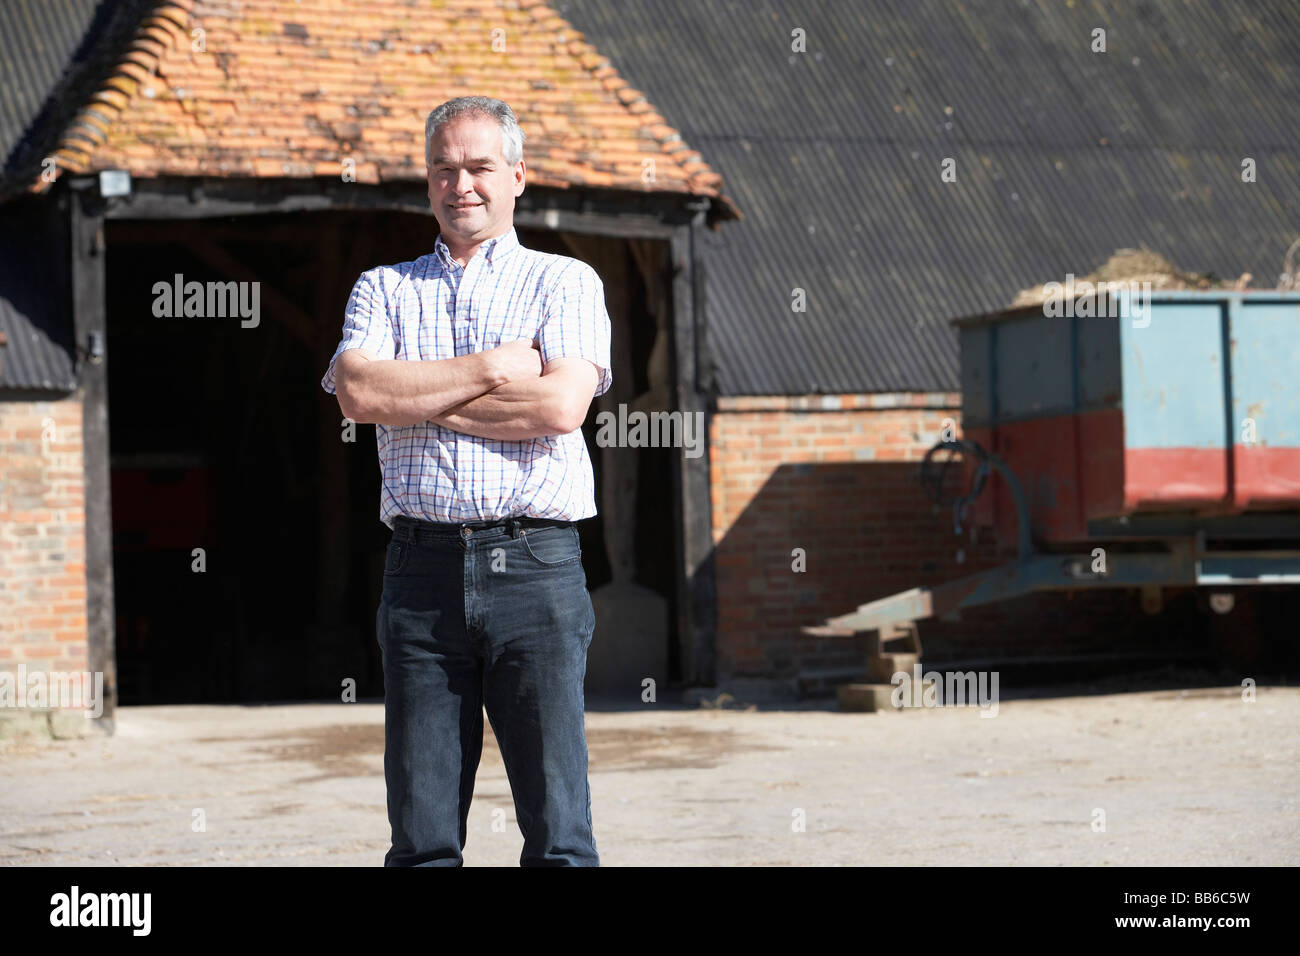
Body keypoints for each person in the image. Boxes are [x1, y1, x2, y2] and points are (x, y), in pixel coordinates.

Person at [320, 96, 612, 866]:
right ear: (427, 181)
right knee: (422, 837)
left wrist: (414, 396)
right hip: (421, 570)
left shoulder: (565, 281)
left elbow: (557, 407)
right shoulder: (383, 289)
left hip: (537, 566)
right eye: (443, 169)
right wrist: (489, 369)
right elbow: (358, 397)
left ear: (517, 176)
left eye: (480, 167)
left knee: (560, 833)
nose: (462, 185)